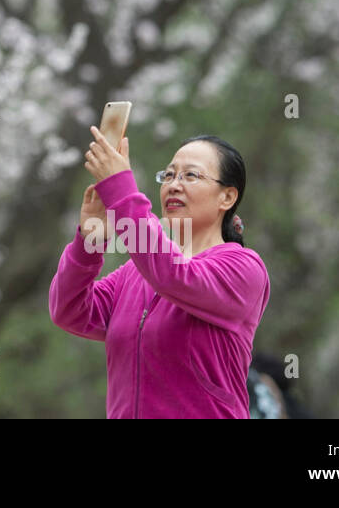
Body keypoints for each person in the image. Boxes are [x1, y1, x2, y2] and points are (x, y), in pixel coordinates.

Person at [49, 128, 270, 418]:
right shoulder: (135, 273)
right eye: (168, 176)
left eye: (190, 176)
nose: (174, 186)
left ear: (226, 197)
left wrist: (120, 187)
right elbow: (70, 310)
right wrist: (90, 241)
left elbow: (173, 275)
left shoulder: (242, 268)